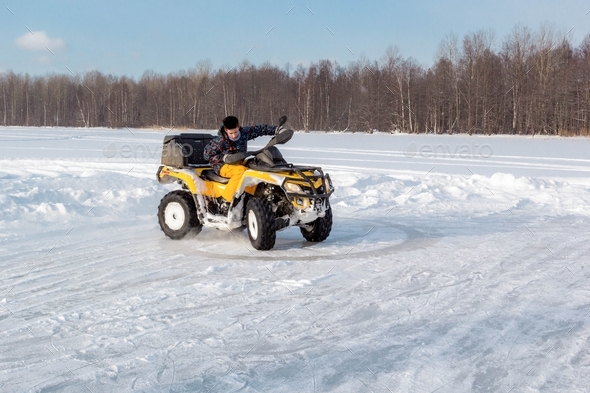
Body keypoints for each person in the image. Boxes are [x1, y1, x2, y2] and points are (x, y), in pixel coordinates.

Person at [203, 115, 285, 210]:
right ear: (226, 130)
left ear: (238, 126)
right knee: (241, 171)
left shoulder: (244, 133)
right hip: (222, 165)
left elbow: (259, 129)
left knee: (258, 165)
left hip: (239, 161)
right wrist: (223, 157)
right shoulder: (220, 141)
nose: (234, 135)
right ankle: (225, 201)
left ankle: (259, 196)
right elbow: (206, 154)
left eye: (235, 132)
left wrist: (277, 130)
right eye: (231, 133)